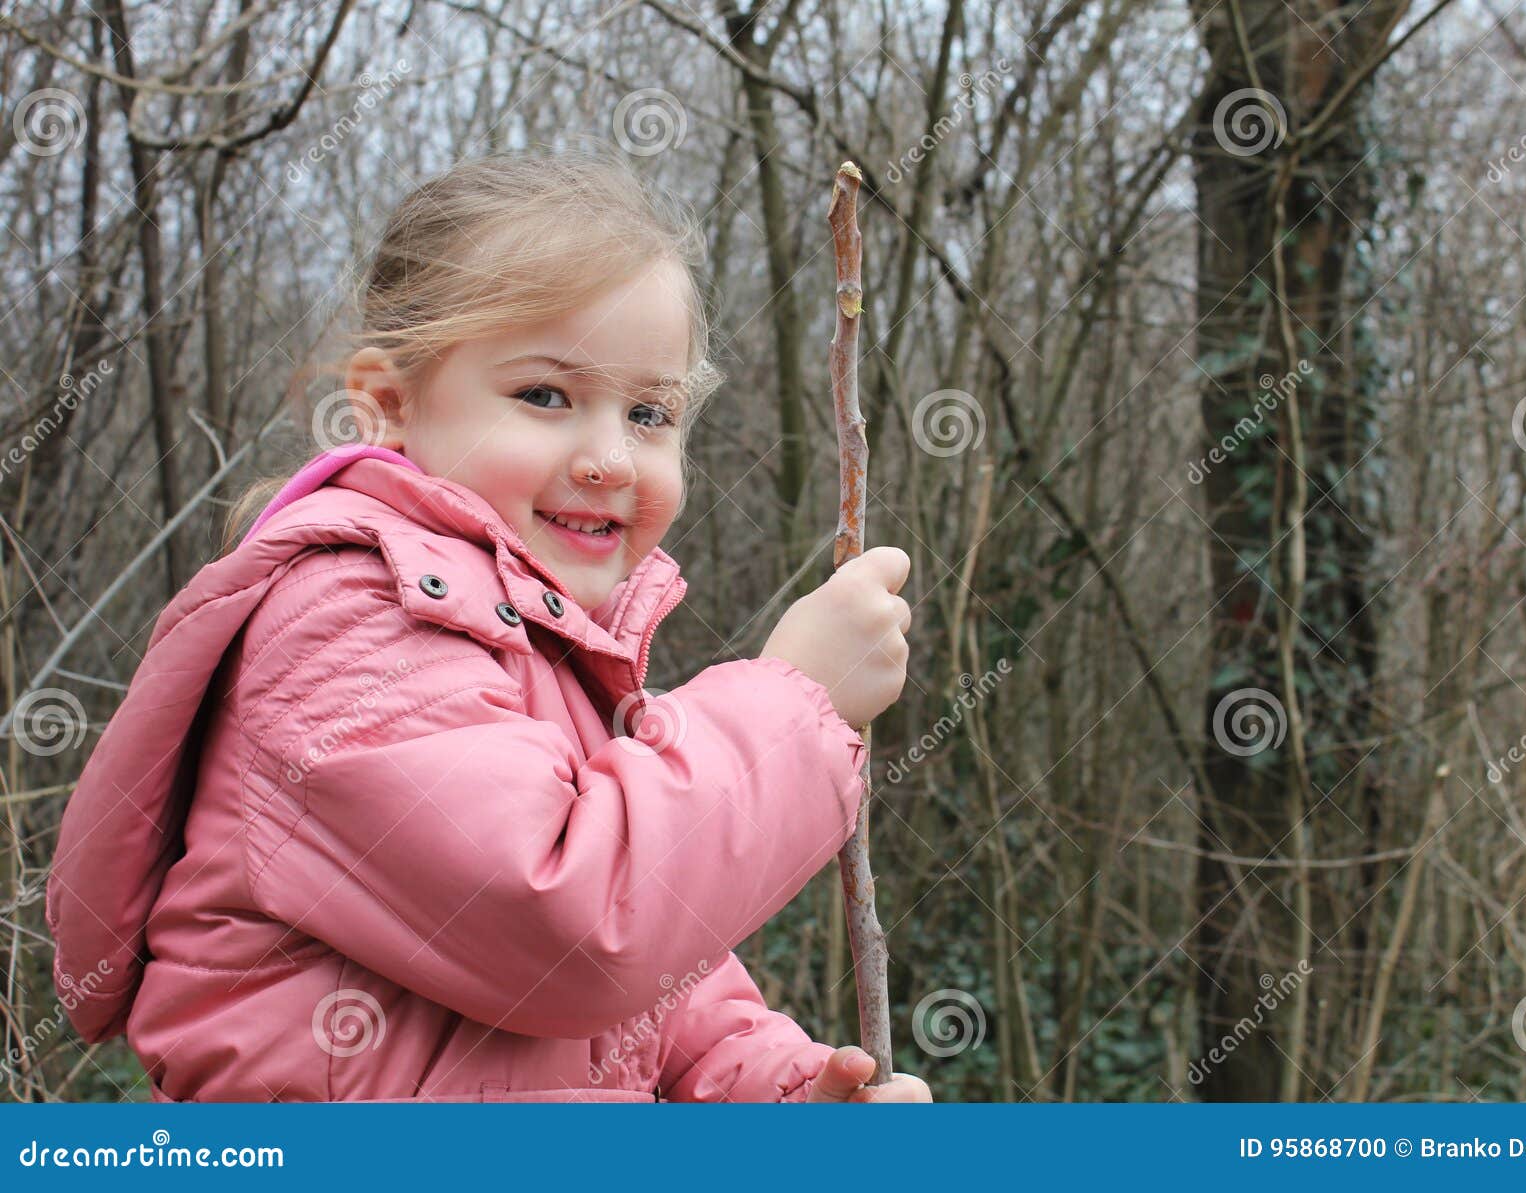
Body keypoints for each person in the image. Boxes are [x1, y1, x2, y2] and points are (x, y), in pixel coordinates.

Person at [46, 150, 928, 1103]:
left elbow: (659, 1002)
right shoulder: (346, 625)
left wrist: (790, 1097)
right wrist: (797, 704)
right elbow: (575, 931)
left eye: (648, 412)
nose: (608, 458)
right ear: (390, 405)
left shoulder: (553, 652)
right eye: (545, 396)